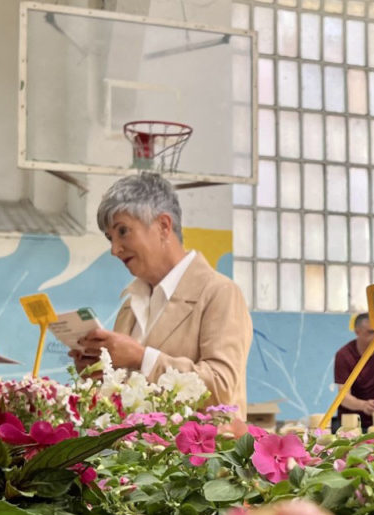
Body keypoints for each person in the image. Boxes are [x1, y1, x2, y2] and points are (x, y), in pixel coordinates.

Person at [74, 172, 253, 417]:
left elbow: (221, 387)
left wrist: (141, 358)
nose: (115, 249)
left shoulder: (219, 293)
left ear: (163, 226)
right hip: (133, 454)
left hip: (199, 453)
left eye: (123, 231)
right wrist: (97, 371)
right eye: (110, 238)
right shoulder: (130, 305)